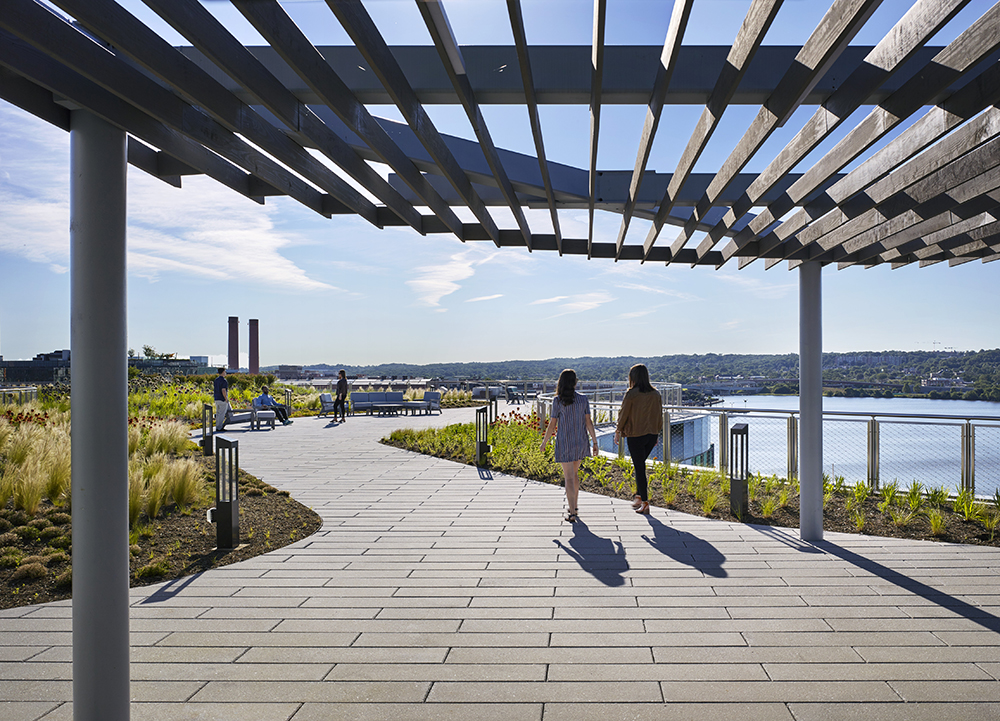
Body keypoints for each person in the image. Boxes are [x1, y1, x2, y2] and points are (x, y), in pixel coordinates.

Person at [540, 369, 599, 523]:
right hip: (580, 441)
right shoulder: (583, 399)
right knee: (574, 474)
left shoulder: (558, 401)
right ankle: (575, 507)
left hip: (565, 442)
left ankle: (572, 512)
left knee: (569, 477)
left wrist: (544, 442)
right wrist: (595, 441)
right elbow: (588, 422)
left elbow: (552, 424)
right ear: (574, 382)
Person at [614, 363, 663, 515]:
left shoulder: (631, 394)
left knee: (640, 468)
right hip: (651, 434)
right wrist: (656, 433)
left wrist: (618, 430)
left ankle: (645, 503)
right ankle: (638, 496)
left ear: (632, 377)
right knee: (639, 465)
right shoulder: (656, 394)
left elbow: (624, 414)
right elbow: (658, 415)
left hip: (635, 435)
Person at [213, 367, 229, 432]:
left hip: (216, 398)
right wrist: (226, 399)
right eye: (225, 372)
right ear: (223, 372)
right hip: (222, 399)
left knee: (218, 413)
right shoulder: (224, 381)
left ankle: (217, 426)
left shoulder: (216, 380)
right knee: (222, 414)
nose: (225, 373)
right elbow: (223, 390)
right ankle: (219, 427)